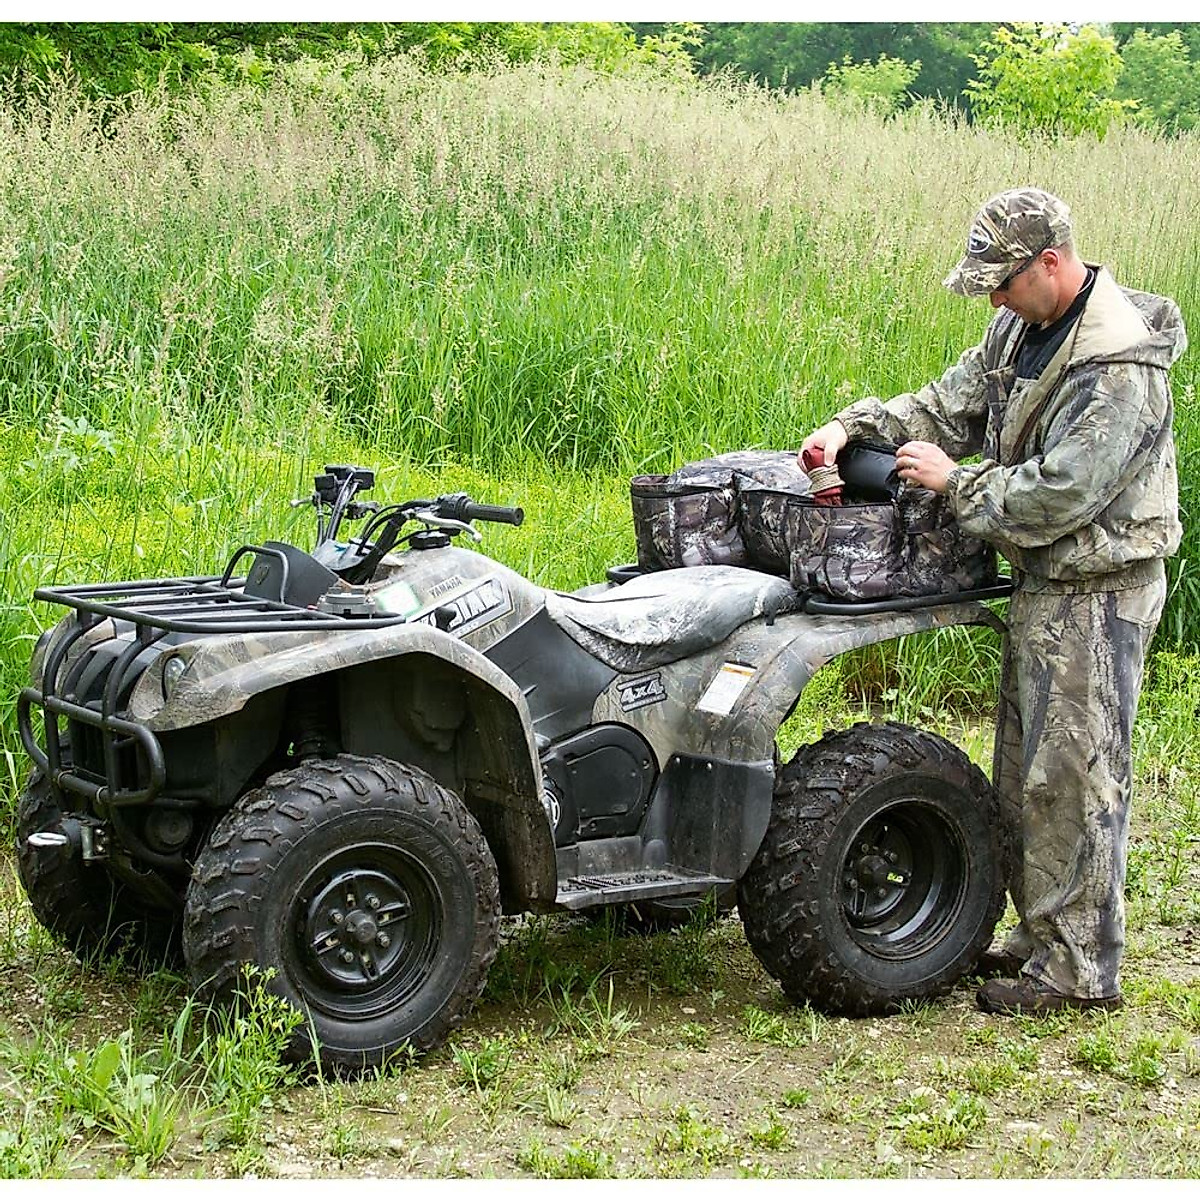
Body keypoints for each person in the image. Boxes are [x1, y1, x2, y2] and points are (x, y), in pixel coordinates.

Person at [799, 187, 1186, 1015]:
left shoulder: (1119, 364)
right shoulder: (1021, 326)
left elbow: (1062, 494)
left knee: (1077, 776)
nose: (993, 300)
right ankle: (1038, 935)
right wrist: (852, 429)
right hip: (1046, 583)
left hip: (1100, 588)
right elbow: (947, 406)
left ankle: (1078, 972)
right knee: (1026, 772)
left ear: (1050, 262)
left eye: (1002, 283)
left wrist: (955, 484)